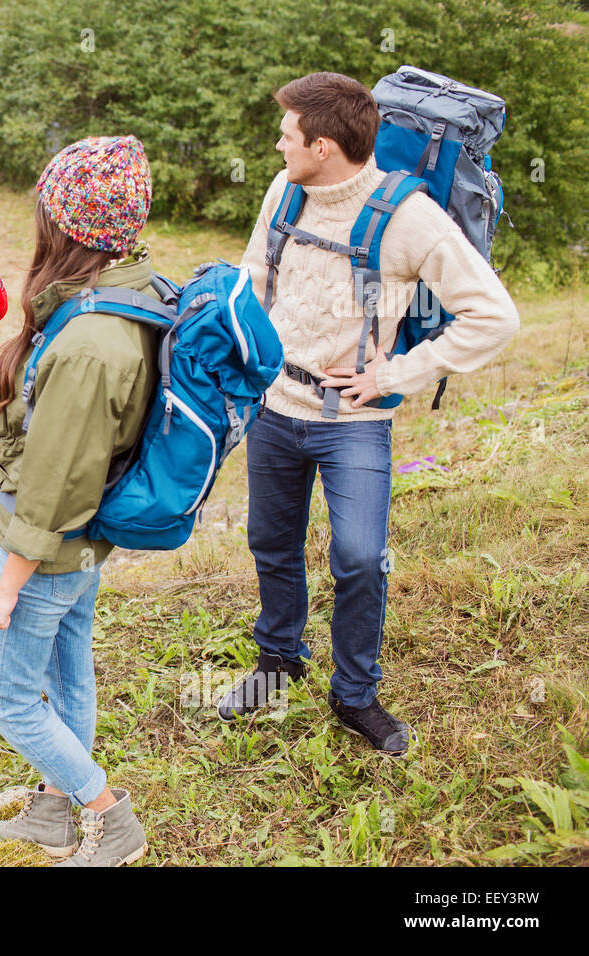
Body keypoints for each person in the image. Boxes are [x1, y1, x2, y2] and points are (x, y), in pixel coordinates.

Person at [219, 72, 519, 753]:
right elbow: (254, 276)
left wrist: (400, 373)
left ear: (324, 146)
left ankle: (355, 696)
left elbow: (494, 315)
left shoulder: (411, 219)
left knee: (358, 557)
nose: (277, 145)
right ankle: (278, 661)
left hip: (352, 420)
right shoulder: (284, 190)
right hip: (273, 405)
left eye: (288, 136)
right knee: (270, 543)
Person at [0, 136, 155, 867]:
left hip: (47, 550)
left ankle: (112, 820)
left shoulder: (89, 342)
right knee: (65, 677)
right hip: (77, 550)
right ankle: (52, 811)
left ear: (69, 223)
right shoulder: (122, 292)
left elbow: (54, 485)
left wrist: (7, 586)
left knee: (7, 699)